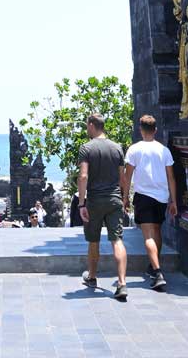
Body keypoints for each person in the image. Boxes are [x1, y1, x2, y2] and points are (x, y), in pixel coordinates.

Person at [121, 114, 178, 291]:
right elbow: (171, 177)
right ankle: (154, 266)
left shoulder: (134, 149)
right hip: (161, 196)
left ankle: (158, 271)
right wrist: (173, 200)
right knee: (156, 230)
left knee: (147, 235)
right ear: (155, 130)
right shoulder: (164, 150)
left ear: (140, 129)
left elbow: (127, 175)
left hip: (143, 194)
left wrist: (125, 197)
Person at [77, 112, 128, 300]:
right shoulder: (117, 148)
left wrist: (81, 203)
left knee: (94, 240)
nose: (86, 129)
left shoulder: (86, 148)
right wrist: (124, 198)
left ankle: (92, 276)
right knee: (117, 240)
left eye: (86, 125)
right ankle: (122, 283)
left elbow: (83, 176)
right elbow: (122, 178)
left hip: (95, 201)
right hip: (114, 199)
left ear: (91, 125)